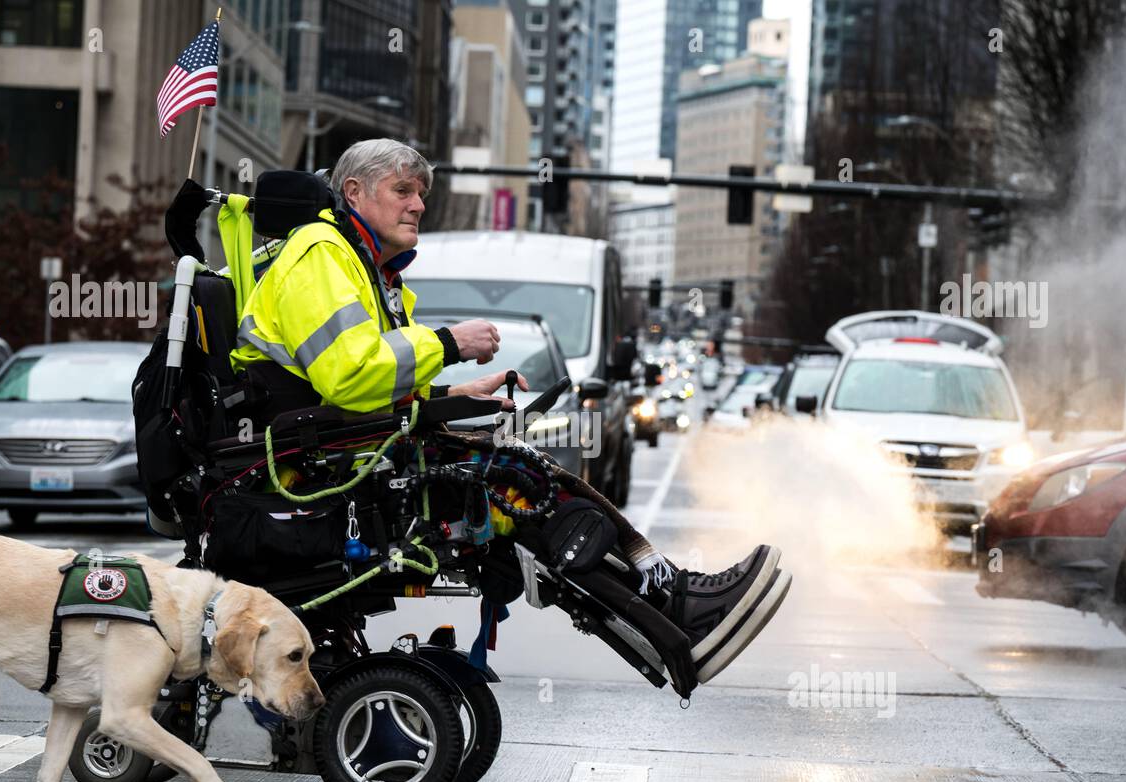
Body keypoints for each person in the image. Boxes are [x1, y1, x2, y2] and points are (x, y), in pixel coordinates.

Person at [230, 139, 790, 685]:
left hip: (344, 448)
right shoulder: (320, 255)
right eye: (402, 190)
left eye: (421, 192)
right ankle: (675, 610)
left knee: (529, 470)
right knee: (523, 482)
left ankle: (670, 597)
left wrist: (461, 393)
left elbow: (368, 383)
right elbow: (346, 375)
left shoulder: (359, 265)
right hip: (311, 468)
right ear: (354, 192)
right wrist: (449, 343)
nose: (418, 204)